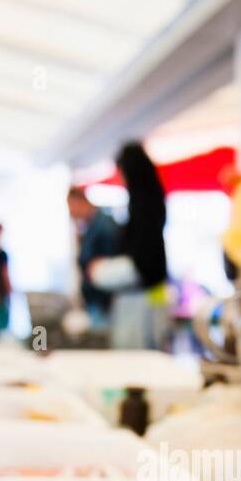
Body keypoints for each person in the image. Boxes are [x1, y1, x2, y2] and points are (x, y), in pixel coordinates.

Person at [88, 142, 171, 349]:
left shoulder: (143, 205)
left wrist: (100, 271)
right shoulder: (150, 200)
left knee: (138, 358)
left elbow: (141, 264)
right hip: (148, 295)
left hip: (141, 301)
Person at [66, 186, 122, 324]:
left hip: (104, 303)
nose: (71, 213)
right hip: (96, 301)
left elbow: (111, 261)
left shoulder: (104, 225)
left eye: (70, 207)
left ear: (79, 202)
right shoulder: (90, 226)